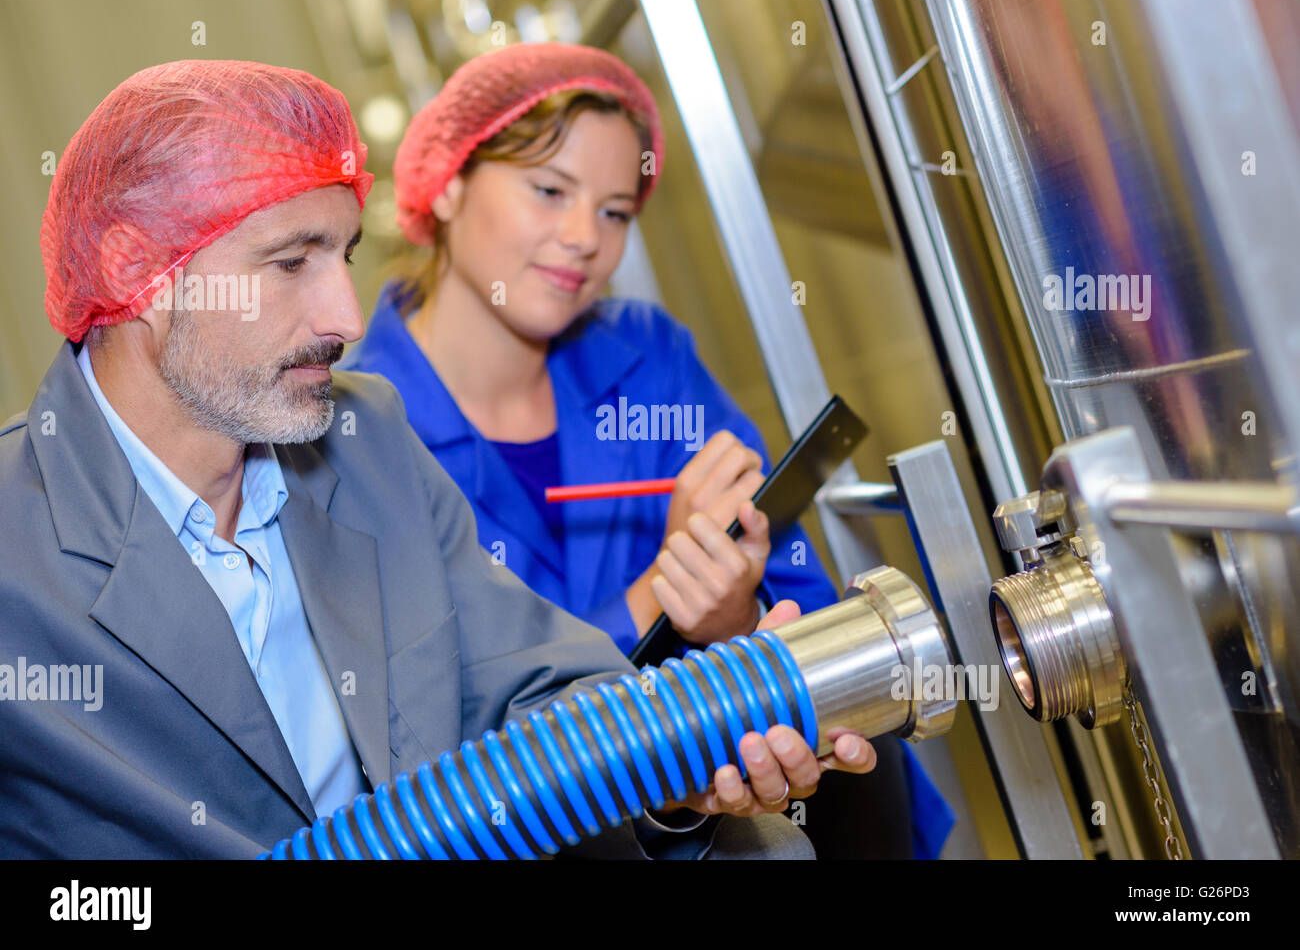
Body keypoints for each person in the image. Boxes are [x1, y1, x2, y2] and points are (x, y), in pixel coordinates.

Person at [0, 59, 880, 859]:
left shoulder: (365, 436)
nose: (345, 317)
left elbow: (533, 690)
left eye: (341, 256)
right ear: (135, 269)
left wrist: (674, 774)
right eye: (291, 261)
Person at [341, 42, 954, 859]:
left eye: (616, 211)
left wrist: (735, 615)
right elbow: (437, 753)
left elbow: (802, 601)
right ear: (448, 181)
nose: (583, 238)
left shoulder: (648, 355)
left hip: (761, 803)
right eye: (550, 190)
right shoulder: (353, 436)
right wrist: (656, 603)